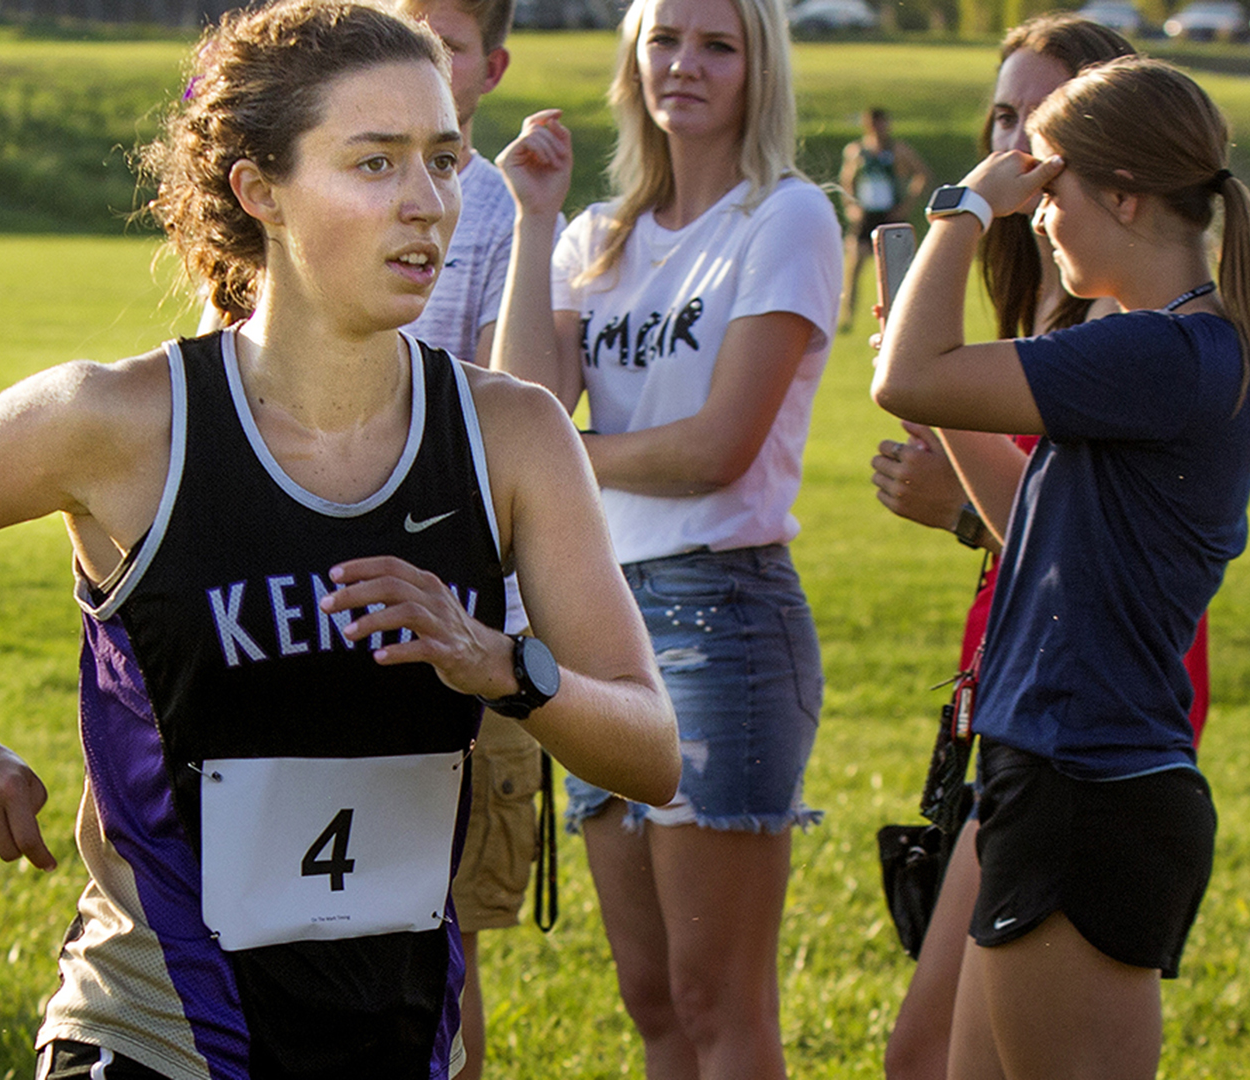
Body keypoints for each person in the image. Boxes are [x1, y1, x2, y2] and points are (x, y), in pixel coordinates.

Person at [0, 3, 679, 1077]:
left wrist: (505, 668)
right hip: (154, 1034)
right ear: (262, 192)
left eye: (443, 161)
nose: (427, 205)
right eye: (374, 163)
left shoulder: (514, 434)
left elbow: (653, 752)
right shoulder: (120, 425)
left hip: (391, 1042)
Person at [872, 56, 1250, 1080]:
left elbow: (906, 373)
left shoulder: (1165, 356)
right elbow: (1029, 526)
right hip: (1057, 774)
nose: (1037, 216)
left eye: (1047, 190)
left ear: (1126, 195)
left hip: (1086, 788)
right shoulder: (1156, 353)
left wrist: (966, 209)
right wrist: (948, 394)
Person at [489, 0, 840, 1073]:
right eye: (664, 41)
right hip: (600, 624)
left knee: (717, 997)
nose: (684, 65)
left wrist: (564, 461)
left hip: (724, 615)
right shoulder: (600, 238)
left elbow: (718, 448)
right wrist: (538, 219)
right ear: (633, 57)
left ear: (757, 66)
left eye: (717, 45)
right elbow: (523, 403)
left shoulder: (784, 217)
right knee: (650, 999)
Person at [377, 0, 552, 1075]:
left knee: (441, 943)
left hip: (468, 619)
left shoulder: (496, 210)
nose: (417, 58)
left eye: (441, 43)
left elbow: (515, 409)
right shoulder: (329, 181)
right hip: (324, 593)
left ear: (488, 67)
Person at [839, 106, 930, 332]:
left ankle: (904, 317)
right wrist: (851, 206)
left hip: (890, 214)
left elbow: (921, 174)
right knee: (854, 267)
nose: (878, 128)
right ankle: (847, 319)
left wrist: (906, 205)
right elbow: (846, 181)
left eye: (881, 123)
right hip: (866, 214)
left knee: (897, 269)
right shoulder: (857, 151)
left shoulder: (898, 150)